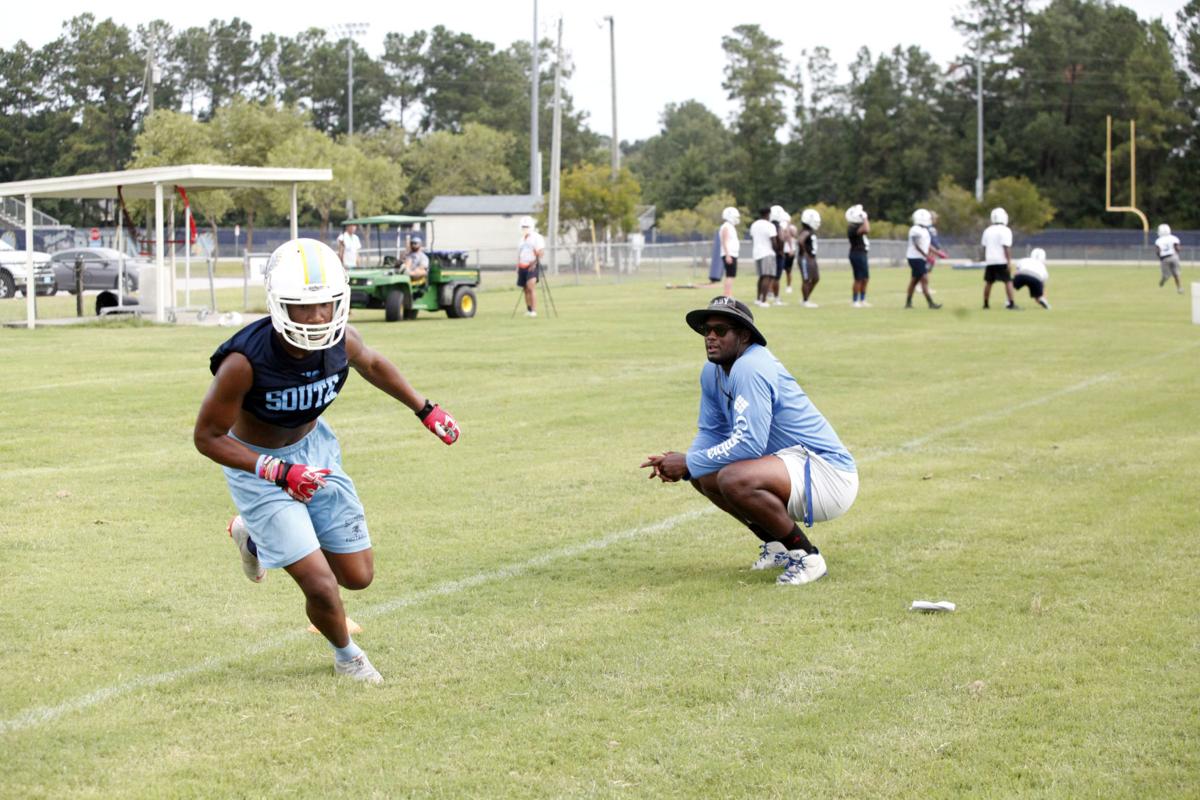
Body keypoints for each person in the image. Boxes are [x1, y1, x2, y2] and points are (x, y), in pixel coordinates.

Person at [193, 239, 461, 685]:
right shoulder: (243, 362)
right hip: (260, 468)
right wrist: (278, 471)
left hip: (316, 453)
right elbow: (207, 437)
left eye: (326, 304)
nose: (318, 317)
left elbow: (372, 364)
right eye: (304, 307)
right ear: (279, 305)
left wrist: (425, 409)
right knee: (320, 583)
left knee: (357, 576)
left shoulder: (342, 340)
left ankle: (254, 539)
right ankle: (348, 657)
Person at [640, 296, 858, 585]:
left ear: (743, 335)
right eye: (706, 330)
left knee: (731, 478)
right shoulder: (712, 371)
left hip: (828, 474)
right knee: (702, 474)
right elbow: (711, 431)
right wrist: (686, 465)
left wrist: (688, 461)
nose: (710, 337)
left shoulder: (751, 367)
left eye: (720, 330)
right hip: (789, 468)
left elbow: (749, 444)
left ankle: (807, 558)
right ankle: (778, 548)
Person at [905, 209, 942, 309]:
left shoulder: (925, 230)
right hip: (915, 258)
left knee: (914, 281)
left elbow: (927, 245)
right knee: (924, 279)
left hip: (920, 258)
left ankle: (908, 303)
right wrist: (927, 256)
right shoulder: (915, 229)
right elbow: (916, 245)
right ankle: (931, 303)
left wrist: (937, 253)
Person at [981, 207, 1018, 309]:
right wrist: (1009, 261)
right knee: (1008, 281)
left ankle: (986, 304)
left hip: (990, 260)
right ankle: (1011, 303)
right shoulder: (1006, 230)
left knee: (989, 282)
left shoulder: (987, 230)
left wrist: (986, 258)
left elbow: (984, 246)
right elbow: (1006, 247)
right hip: (1001, 260)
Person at [748, 207, 778, 308]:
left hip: (757, 253)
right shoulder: (770, 225)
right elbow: (773, 241)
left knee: (761, 277)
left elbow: (752, 238)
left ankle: (758, 299)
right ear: (768, 214)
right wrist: (778, 251)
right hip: (767, 253)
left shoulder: (754, 225)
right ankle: (763, 300)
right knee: (767, 276)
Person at [517, 215, 545, 318]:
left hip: (532, 266)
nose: (525, 229)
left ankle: (534, 310)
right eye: (523, 227)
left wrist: (534, 263)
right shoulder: (522, 240)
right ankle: (528, 309)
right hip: (522, 266)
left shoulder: (537, 237)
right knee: (525, 289)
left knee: (531, 287)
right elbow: (520, 253)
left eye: (526, 227)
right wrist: (517, 265)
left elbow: (541, 252)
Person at [845, 204, 871, 307]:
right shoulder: (852, 228)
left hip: (862, 254)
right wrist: (864, 217)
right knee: (858, 278)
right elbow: (867, 229)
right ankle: (855, 301)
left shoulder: (858, 226)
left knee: (865, 278)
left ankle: (863, 299)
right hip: (857, 254)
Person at [796, 208, 822, 308]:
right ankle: (805, 300)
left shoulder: (810, 231)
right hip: (805, 258)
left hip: (811, 258)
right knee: (806, 279)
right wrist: (805, 253)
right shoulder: (806, 231)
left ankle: (806, 298)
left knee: (816, 278)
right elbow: (800, 241)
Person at [715, 206, 741, 297]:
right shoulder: (726, 227)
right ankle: (727, 294)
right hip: (729, 254)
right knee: (730, 275)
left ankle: (728, 294)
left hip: (732, 254)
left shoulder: (730, 227)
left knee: (731, 275)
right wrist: (727, 255)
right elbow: (724, 241)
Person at [1154, 223, 1183, 294]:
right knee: (1176, 274)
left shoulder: (1158, 240)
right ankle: (1179, 288)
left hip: (1164, 258)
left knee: (1166, 275)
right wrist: (1176, 254)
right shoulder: (1174, 238)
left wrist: (1160, 258)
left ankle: (1163, 281)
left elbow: (1158, 251)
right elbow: (1177, 248)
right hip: (1174, 256)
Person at [768, 205, 788, 305]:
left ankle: (769, 294)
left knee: (770, 276)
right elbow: (780, 239)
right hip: (777, 255)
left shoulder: (769, 225)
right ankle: (776, 298)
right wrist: (780, 251)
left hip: (770, 254)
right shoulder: (777, 226)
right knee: (776, 278)